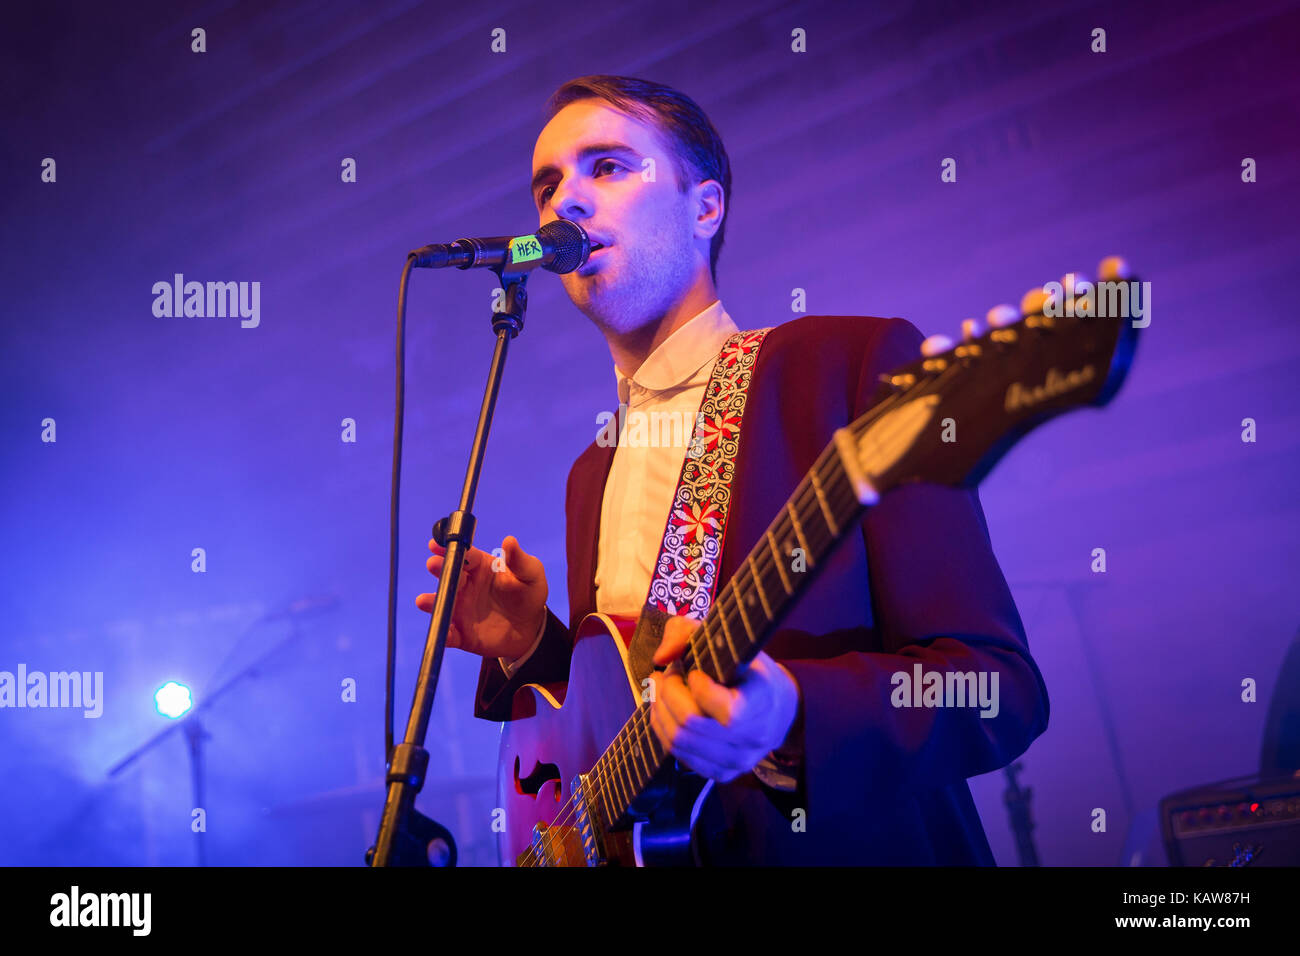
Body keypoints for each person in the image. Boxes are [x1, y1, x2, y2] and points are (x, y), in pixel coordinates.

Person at [415, 74, 1049, 864]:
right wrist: (530, 648)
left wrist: (793, 716)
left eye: (606, 167)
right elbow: (632, 717)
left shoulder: (843, 366)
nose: (564, 203)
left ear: (705, 207)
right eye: (548, 184)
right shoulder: (592, 470)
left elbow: (997, 691)